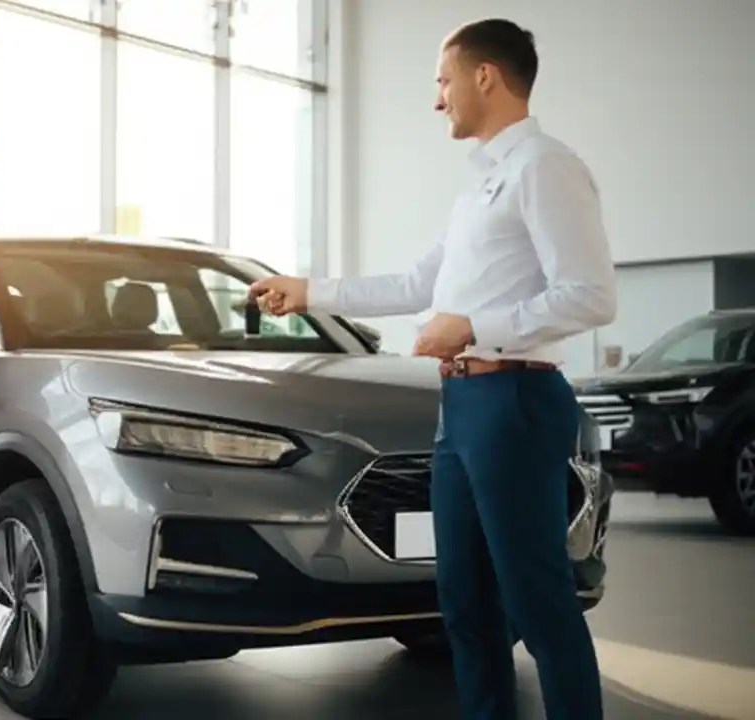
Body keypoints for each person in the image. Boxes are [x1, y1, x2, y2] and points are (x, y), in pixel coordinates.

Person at [250, 18, 614, 720]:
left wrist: (475, 327)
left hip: (516, 400)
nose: (437, 98)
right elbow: (418, 284)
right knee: (465, 604)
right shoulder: (481, 186)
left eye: (444, 80)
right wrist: (310, 292)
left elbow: (591, 296)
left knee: (537, 603)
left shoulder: (545, 167)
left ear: (486, 77)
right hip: (462, 407)